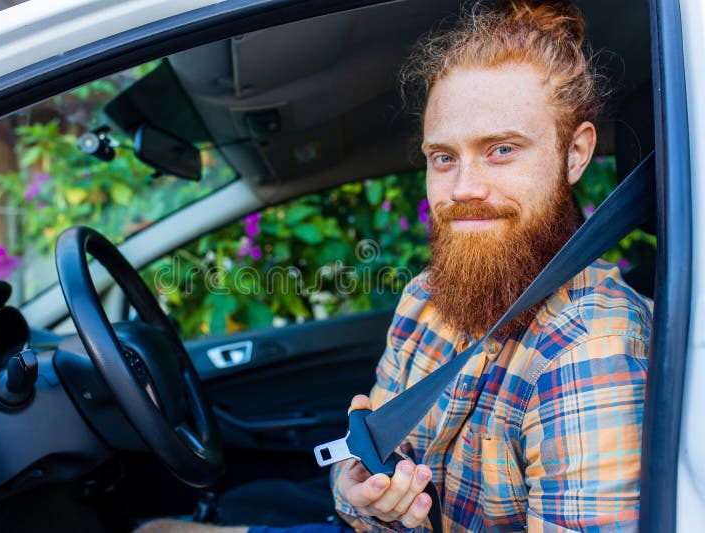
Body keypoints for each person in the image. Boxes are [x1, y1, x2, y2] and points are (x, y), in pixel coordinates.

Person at [138, 0, 651, 531]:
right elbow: (359, 475)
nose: (463, 188)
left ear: (575, 153)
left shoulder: (589, 352)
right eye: (443, 157)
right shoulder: (425, 296)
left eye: (501, 149)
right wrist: (360, 492)